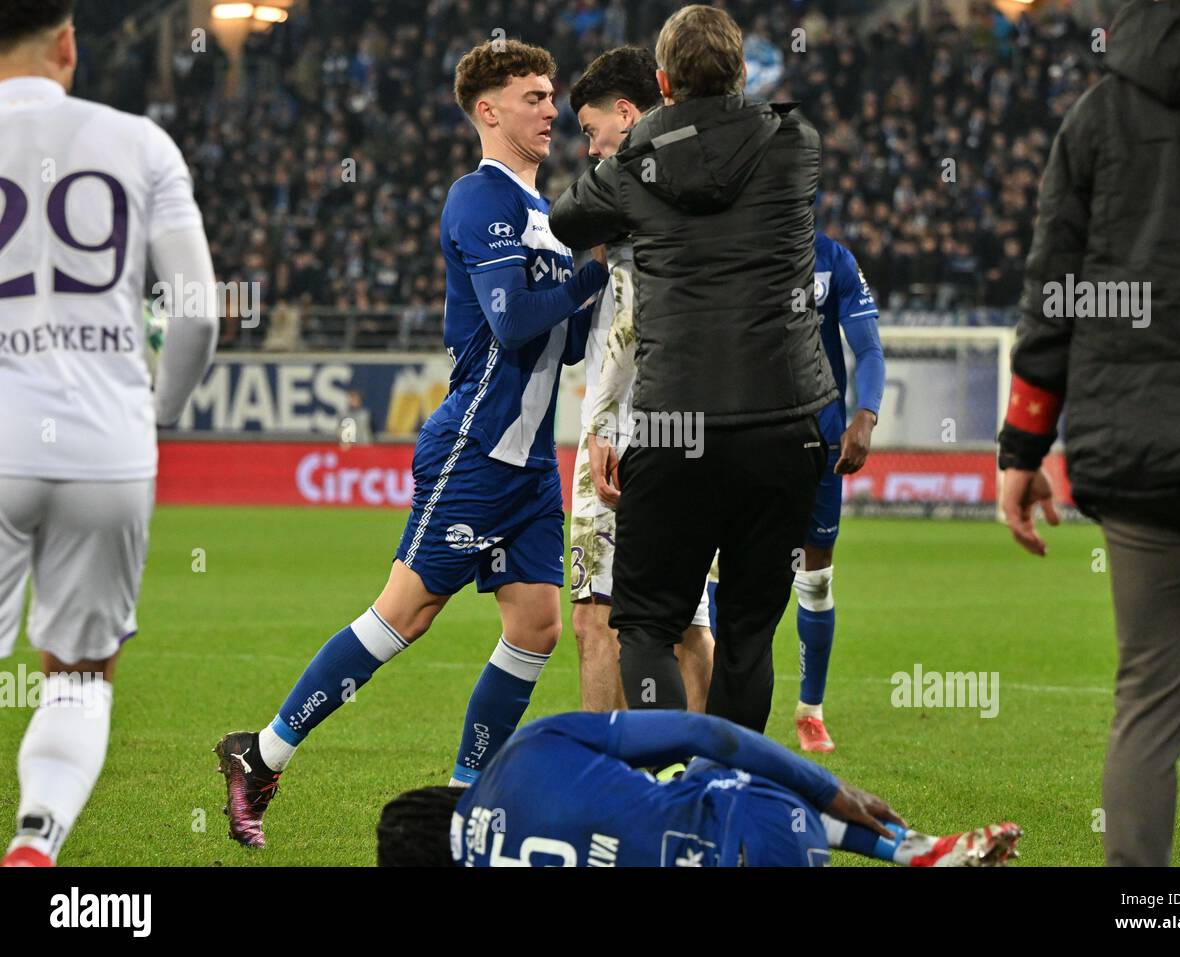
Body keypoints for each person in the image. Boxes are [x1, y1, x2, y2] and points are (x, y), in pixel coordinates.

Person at [213, 39, 607, 848]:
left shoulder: (544, 212)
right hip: (474, 443)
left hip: (531, 458)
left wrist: (594, 290)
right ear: (488, 110)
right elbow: (511, 319)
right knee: (406, 612)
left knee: (535, 625)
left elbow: (562, 346)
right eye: (533, 96)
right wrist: (592, 275)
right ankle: (261, 750)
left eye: (551, 95)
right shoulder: (479, 197)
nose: (550, 109)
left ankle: (466, 802)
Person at [996, 0, 1180, 867]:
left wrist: (1022, 449)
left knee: (1147, 694)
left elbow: (1051, 292)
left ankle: (1143, 903)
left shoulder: (1099, 114)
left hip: (1132, 444)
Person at [551, 4, 835, 733]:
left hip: (677, 420)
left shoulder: (636, 159)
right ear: (741, 72)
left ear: (663, 82)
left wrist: (639, 150)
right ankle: (731, 797)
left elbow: (567, 220)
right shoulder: (795, 141)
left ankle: (666, 782)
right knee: (747, 632)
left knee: (645, 624)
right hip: (785, 420)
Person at [0, 0, 218, 866]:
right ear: (66, 43)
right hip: (104, 445)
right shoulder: (138, 142)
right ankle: (35, 841)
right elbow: (197, 312)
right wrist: (156, 409)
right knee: (79, 674)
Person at [376, 709, 1022, 867]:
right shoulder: (526, 748)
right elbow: (702, 730)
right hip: (770, 830)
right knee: (699, 772)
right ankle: (911, 849)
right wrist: (826, 786)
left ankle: (922, 852)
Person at [568, 45, 713, 712]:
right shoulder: (711, 172)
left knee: (599, 618)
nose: (590, 149)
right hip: (701, 416)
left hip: (627, 419)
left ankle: (608, 786)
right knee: (687, 618)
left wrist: (599, 422)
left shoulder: (630, 188)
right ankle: (708, 782)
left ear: (625, 113)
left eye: (592, 130)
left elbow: (631, 323)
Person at [700, 232, 884, 752]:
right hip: (749, 437)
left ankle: (811, 709)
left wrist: (865, 414)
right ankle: (724, 699)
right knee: (726, 567)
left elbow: (867, 345)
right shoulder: (738, 248)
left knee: (816, 576)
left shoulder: (833, 260)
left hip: (821, 442)